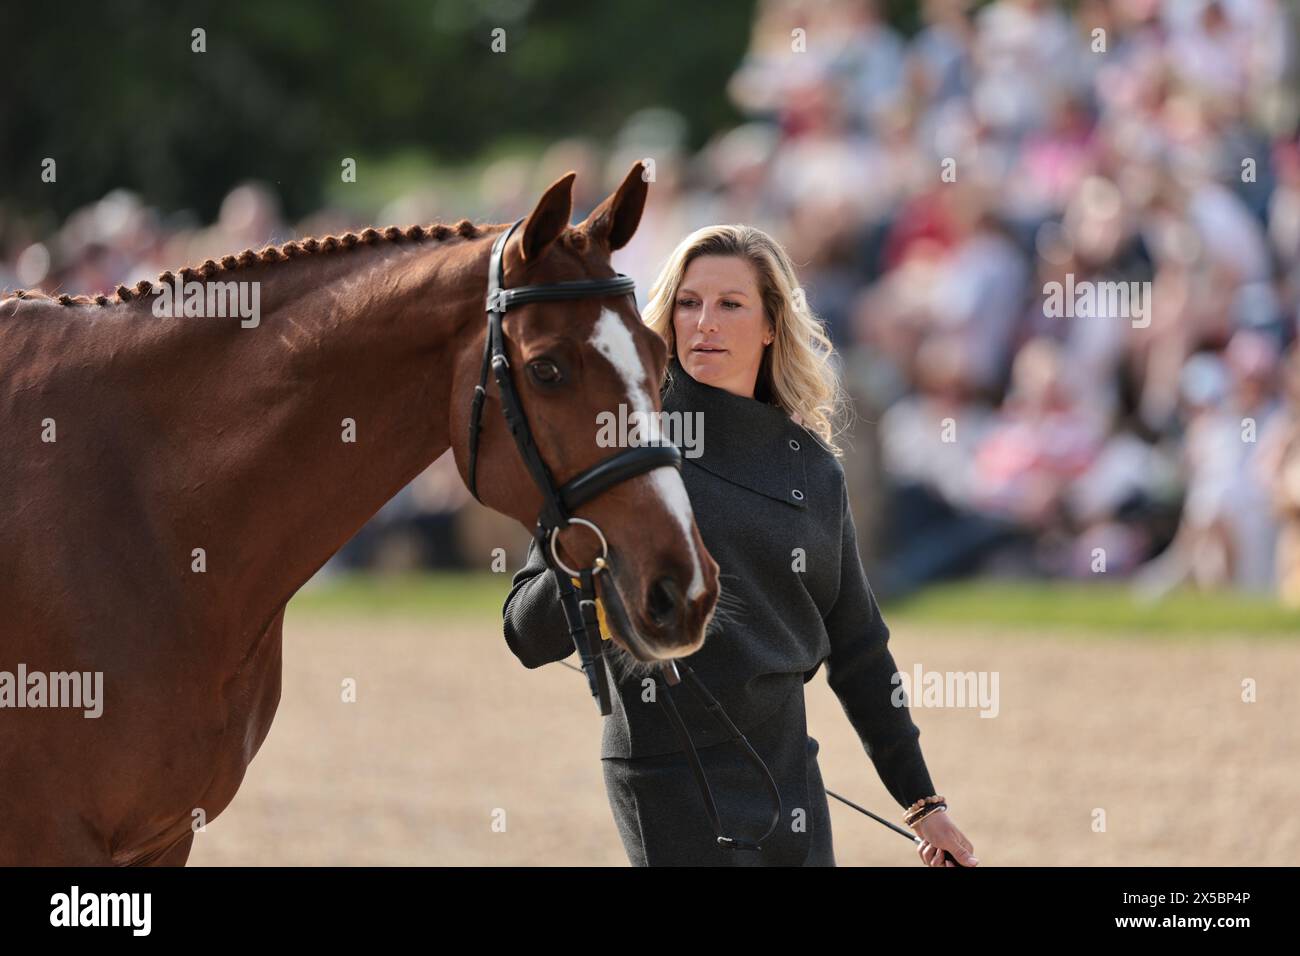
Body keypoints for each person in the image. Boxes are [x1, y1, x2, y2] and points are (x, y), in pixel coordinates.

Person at [502, 224, 977, 868]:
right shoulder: (616, 445)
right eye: (689, 303)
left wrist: (923, 803)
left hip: (788, 775)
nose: (704, 323)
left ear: (771, 326)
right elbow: (528, 634)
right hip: (665, 774)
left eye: (730, 305)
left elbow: (860, 646)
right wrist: (593, 545)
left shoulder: (811, 468)